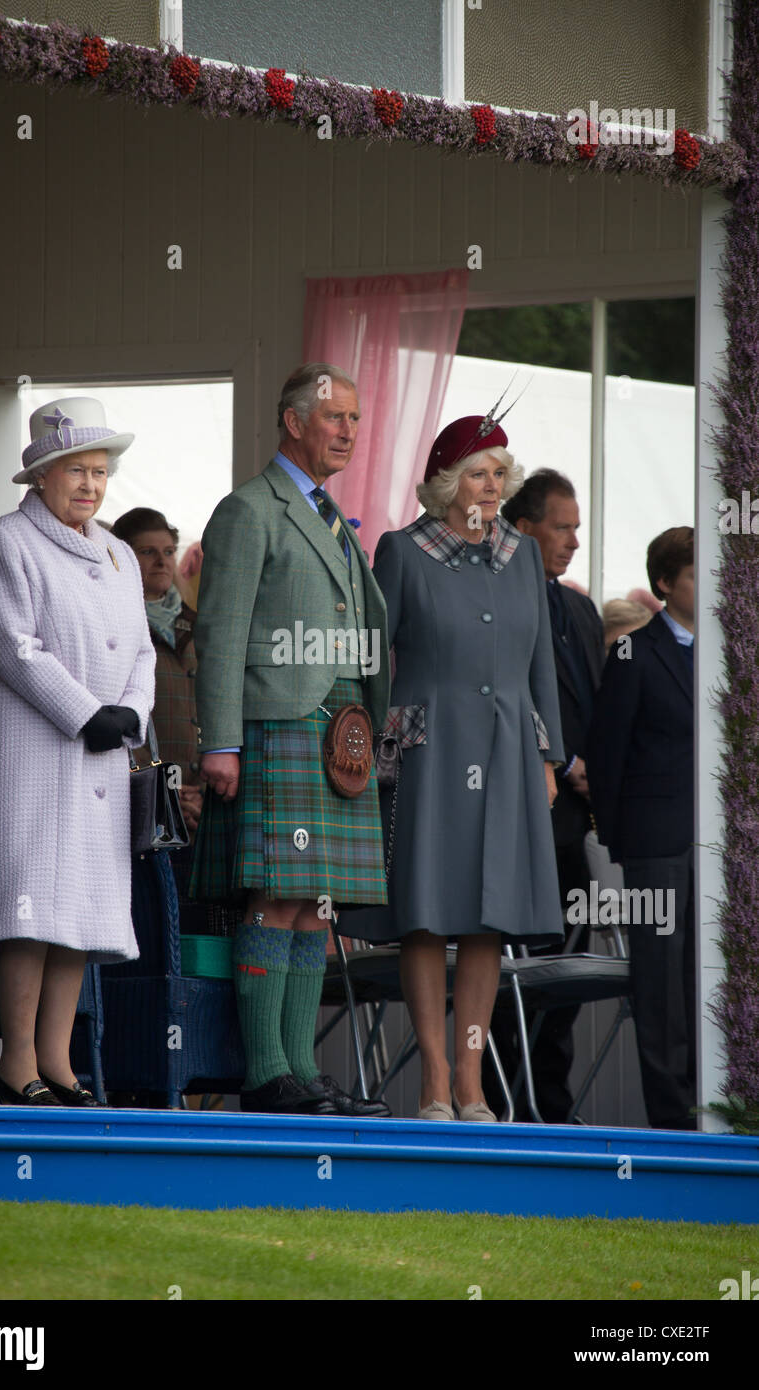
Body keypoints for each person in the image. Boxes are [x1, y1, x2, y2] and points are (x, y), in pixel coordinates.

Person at [187, 362, 392, 1117]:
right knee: (275, 900)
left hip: (340, 731)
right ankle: (266, 1074)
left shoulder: (333, 516)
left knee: (313, 904)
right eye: (336, 418)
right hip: (277, 723)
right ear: (294, 421)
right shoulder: (250, 509)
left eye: (356, 421)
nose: (348, 432)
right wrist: (222, 742)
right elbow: (222, 629)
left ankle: (302, 1072)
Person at [351, 415, 564, 1121]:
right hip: (428, 751)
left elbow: (541, 667)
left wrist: (548, 755)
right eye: (480, 472)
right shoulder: (403, 552)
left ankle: (472, 1078)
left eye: (501, 473)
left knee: (487, 921)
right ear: (447, 482)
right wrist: (369, 754)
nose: (493, 486)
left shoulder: (523, 555)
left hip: (509, 753)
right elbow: (374, 664)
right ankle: (435, 1080)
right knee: (425, 917)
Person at [0, 397, 155, 1106]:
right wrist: (85, 714)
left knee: (81, 915)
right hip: (35, 757)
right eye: (76, 470)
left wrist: (130, 712)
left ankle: (58, 1064)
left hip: (101, 756)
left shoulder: (120, 553)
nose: (91, 485)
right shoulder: (1, 542)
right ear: (41, 475)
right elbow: (16, 647)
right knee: (32, 909)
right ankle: (17, 1063)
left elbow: (141, 649)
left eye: (101, 472)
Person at [490, 469, 605, 1121]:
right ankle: (503, 1097)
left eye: (577, 529)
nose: (573, 542)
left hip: (571, 824)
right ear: (524, 527)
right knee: (510, 969)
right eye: (562, 528)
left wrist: (596, 768)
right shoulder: (500, 599)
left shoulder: (580, 607)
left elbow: (595, 703)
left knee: (565, 970)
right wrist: (559, 758)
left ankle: (550, 1103)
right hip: (515, 813)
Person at [586, 526, 695, 1129]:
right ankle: (673, 1124)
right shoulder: (633, 650)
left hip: (716, 848)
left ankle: (719, 1110)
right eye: (693, 576)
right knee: (658, 987)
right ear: (665, 584)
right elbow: (607, 751)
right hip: (653, 844)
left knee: (707, 979)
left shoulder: (727, 649)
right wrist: (620, 839)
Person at [110, 507, 204, 835]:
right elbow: (119, 718)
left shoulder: (198, 626)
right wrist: (164, 790)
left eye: (168, 552)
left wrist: (201, 790)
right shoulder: (112, 626)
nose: (162, 562)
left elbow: (216, 710)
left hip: (200, 802)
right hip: (137, 801)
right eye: (147, 552)